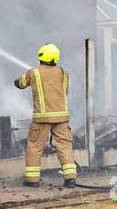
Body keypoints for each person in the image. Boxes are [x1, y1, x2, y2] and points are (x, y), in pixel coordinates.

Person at [14, 43, 78, 187]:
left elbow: (21, 83)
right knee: (64, 146)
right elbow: (64, 92)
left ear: (41, 56)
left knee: (35, 146)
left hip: (42, 118)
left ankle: (32, 180)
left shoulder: (34, 72)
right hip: (62, 117)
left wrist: (17, 82)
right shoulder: (63, 73)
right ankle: (71, 179)